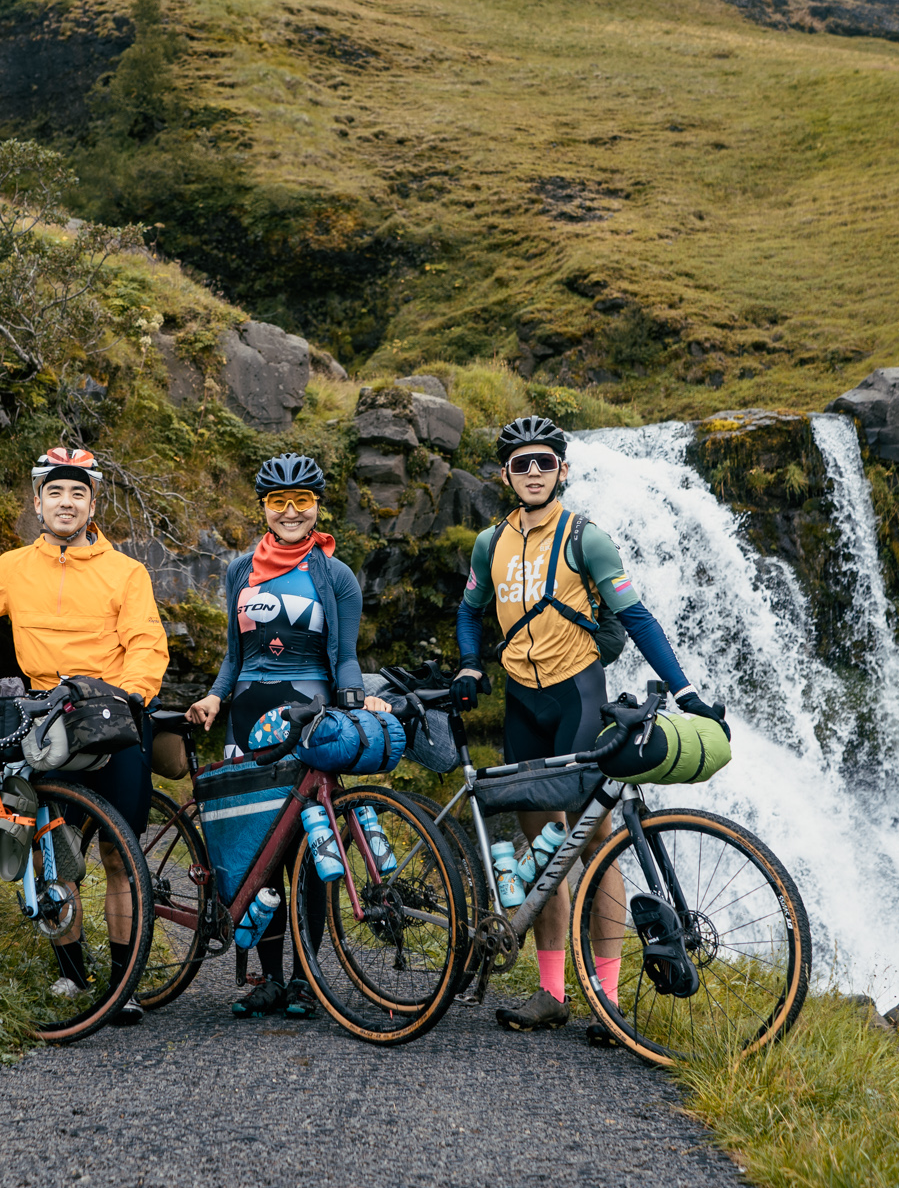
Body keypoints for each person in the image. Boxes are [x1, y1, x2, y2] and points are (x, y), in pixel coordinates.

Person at [453, 416, 726, 1034]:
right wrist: (470, 666)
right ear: (505, 474)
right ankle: (552, 993)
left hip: (578, 698)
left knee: (597, 843)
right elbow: (470, 612)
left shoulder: (587, 538)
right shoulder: (488, 544)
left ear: (562, 470)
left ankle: (608, 998)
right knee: (542, 850)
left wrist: (685, 691)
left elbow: (637, 616)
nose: (532, 473)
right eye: (520, 463)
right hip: (522, 704)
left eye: (543, 462)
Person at [0, 446, 167, 1027]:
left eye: (78, 493)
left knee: (119, 859)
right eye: (55, 493)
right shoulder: (14, 566)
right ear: (39, 503)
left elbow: (147, 642)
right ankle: (74, 975)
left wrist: (128, 696)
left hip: (113, 715)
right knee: (57, 857)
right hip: (47, 717)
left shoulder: (127, 572)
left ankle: (123, 984)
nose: (66, 502)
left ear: (93, 504)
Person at [185, 453, 390, 1020]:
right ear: (264, 509)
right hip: (247, 717)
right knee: (260, 853)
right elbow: (234, 654)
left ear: (317, 506)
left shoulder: (335, 574)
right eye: (280, 502)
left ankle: (306, 979)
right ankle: (268, 978)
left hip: (309, 717)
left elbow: (345, 657)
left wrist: (354, 702)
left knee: (309, 849)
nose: (292, 512)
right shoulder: (238, 570)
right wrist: (212, 695)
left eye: (303, 501)